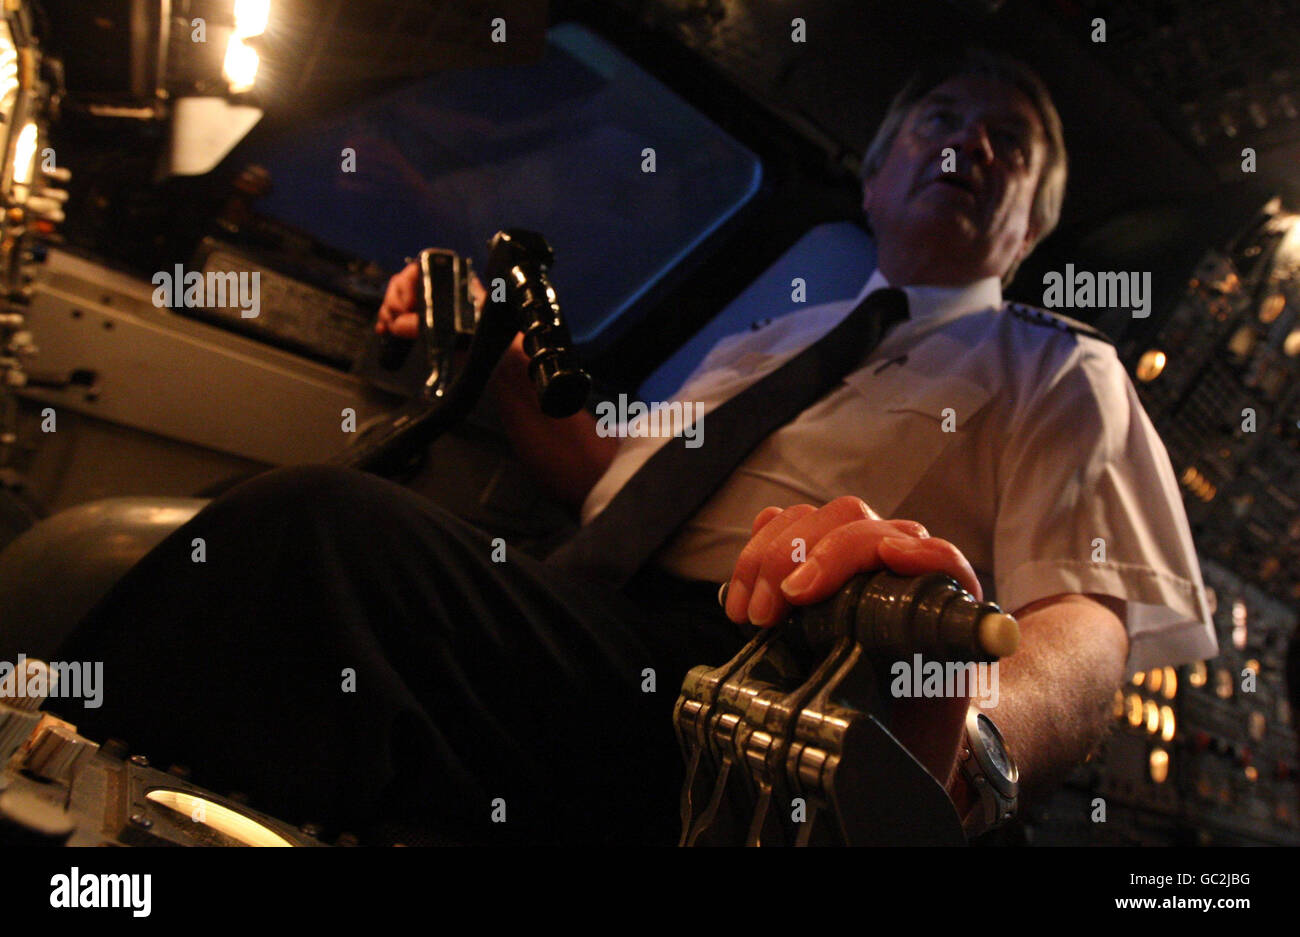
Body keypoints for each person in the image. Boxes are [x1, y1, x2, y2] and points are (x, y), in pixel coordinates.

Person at [49, 49, 1214, 844]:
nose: (965, 144)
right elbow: (605, 475)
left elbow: (1088, 625)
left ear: (1037, 219)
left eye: (1005, 140)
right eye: (938, 121)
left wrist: (962, 764)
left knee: (318, 530)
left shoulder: (1060, 368)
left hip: (763, 685)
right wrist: (495, 353)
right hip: (589, 620)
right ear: (876, 171)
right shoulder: (771, 340)